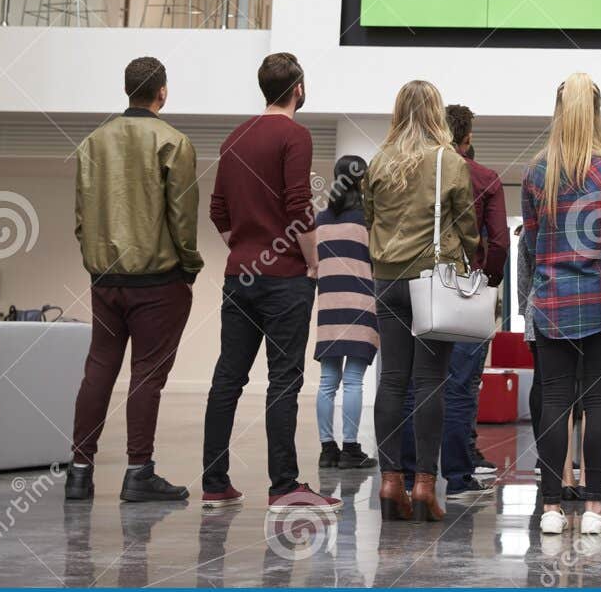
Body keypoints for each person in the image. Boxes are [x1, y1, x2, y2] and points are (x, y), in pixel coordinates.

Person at [202, 52, 339, 515]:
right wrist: (314, 262)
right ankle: (283, 487)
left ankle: (214, 482)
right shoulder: (295, 135)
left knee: (228, 377)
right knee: (283, 380)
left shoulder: (234, 136)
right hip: (284, 281)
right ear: (298, 87)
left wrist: (245, 248)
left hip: (239, 276)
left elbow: (218, 210)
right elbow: (300, 205)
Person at [66, 56, 203, 504]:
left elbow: (83, 215)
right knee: (147, 376)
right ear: (162, 91)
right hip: (157, 280)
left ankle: (79, 473)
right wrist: (189, 265)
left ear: (128, 90)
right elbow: (182, 216)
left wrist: (93, 259)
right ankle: (138, 472)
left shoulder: (92, 142)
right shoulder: (173, 142)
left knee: (98, 368)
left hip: (104, 278)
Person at [522, 72, 601, 537]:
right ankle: (593, 509)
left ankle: (551, 508)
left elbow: (532, 242)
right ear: (597, 112)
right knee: (600, 401)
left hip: (550, 302)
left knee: (554, 401)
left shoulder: (536, 172)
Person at [366, 80, 481, 522]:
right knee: (430, 380)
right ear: (436, 113)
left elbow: (371, 217)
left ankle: (390, 480)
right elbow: (466, 225)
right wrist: (471, 257)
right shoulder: (448, 162)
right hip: (432, 281)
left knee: (392, 379)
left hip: (387, 279)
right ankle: (424, 485)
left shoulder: (379, 160)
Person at [405, 103, 509, 504]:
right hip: (466, 292)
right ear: (467, 138)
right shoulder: (482, 177)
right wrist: (490, 279)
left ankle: (413, 475)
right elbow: (498, 240)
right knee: (460, 388)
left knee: (417, 385)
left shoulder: (413, 174)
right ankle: (459, 479)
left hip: (420, 289)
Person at [314, 155, 379, 472]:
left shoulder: (320, 220)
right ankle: (351, 449)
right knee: (353, 381)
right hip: (361, 305)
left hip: (328, 306)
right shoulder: (368, 221)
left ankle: (327, 451)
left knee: (328, 381)